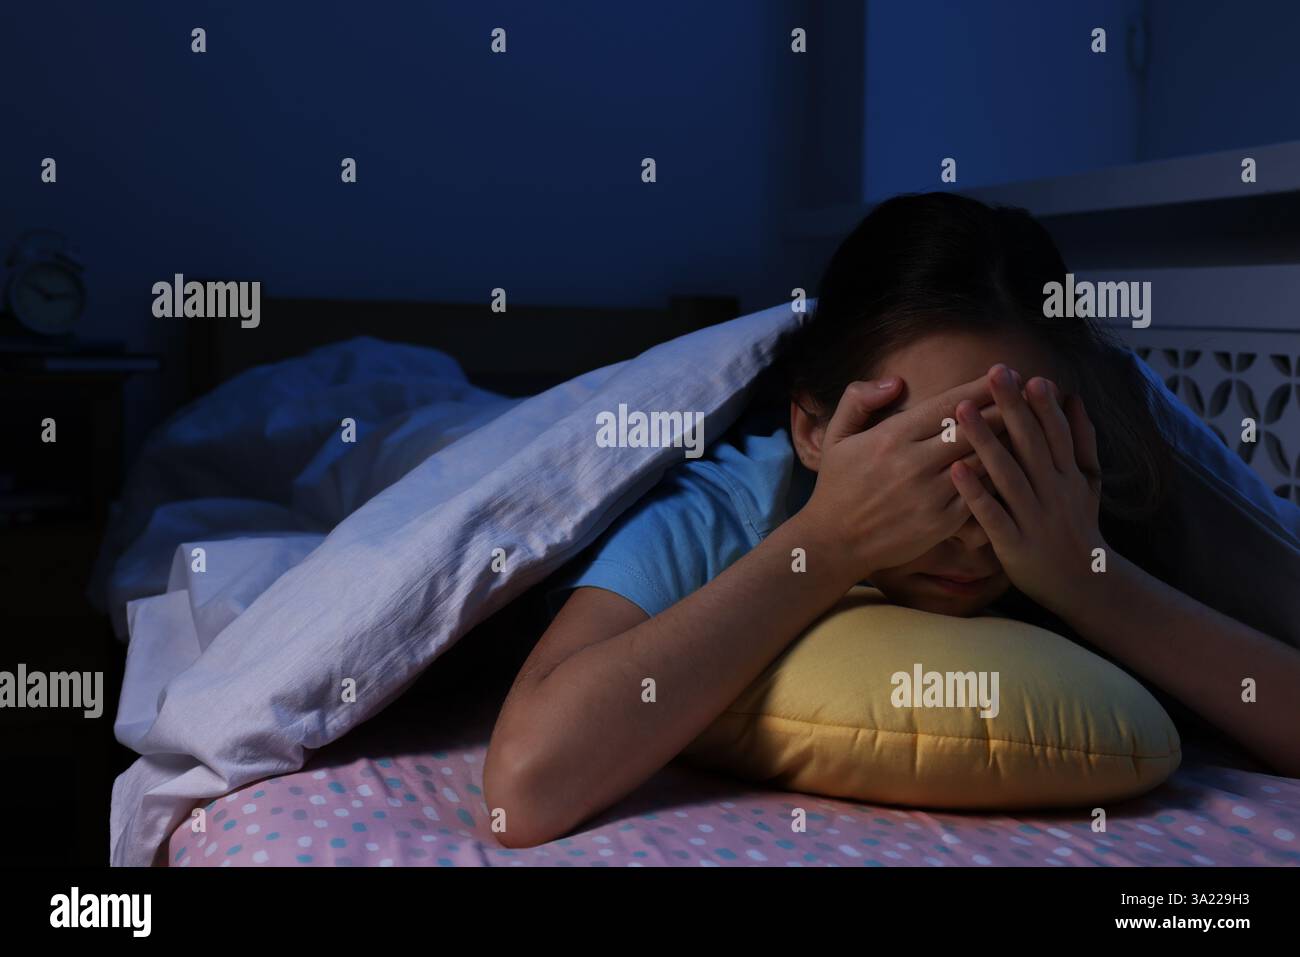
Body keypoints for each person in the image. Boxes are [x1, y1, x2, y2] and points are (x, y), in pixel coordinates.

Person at [483, 192, 1300, 848]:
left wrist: (1084, 574)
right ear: (813, 428)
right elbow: (524, 787)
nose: (972, 527)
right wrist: (827, 543)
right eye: (923, 458)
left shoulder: (1073, 495)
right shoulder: (728, 511)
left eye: (1008, 459)